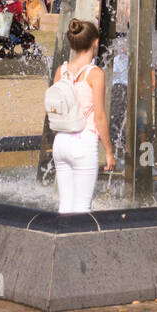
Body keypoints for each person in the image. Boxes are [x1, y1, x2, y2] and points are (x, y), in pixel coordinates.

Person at [50, 19, 114, 213]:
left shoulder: (61, 71)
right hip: (83, 142)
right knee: (82, 208)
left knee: (65, 207)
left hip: (61, 141)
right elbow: (100, 116)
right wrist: (109, 151)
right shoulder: (94, 73)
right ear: (95, 43)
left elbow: (53, 110)